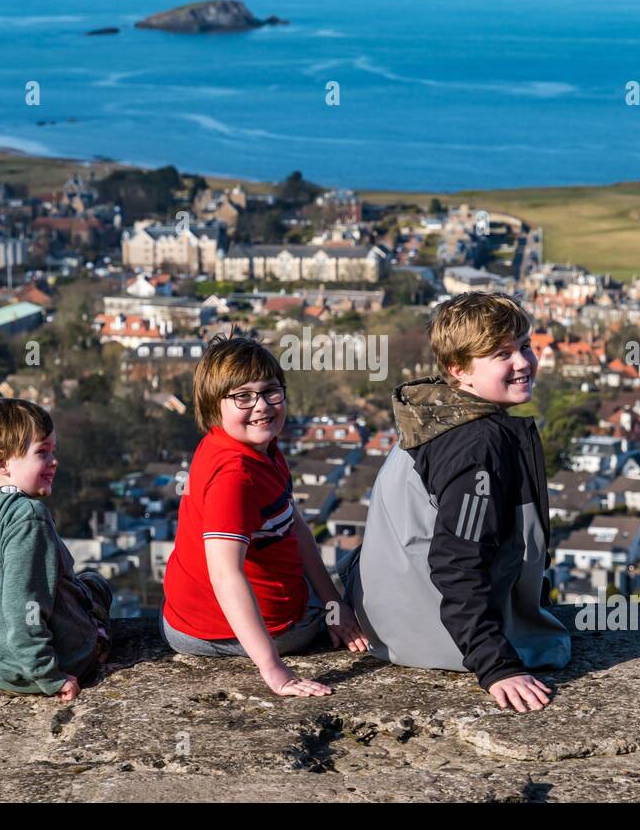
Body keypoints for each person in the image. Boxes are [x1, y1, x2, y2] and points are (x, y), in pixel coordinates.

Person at [343, 292, 571, 712]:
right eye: (501, 354)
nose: (522, 362)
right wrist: (496, 664)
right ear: (459, 370)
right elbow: (456, 561)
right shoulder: (478, 447)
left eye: (524, 346)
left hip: (388, 613)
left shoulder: (432, 413)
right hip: (434, 635)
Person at [161, 333, 369, 697]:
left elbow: (296, 528)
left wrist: (333, 602)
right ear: (215, 403)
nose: (261, 406)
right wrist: (275, 671)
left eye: (271, 391)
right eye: (243, 396)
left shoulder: (251, 447)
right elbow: (226, 574)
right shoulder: (234, 476)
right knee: (364, 577)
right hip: (246, 629)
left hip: (187, 617)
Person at [0, 398, 114, 703]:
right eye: (42, 452)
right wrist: (50, 677)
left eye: (53, 451)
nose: (54, 461)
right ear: (2, 464)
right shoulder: (29, 517)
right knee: (97, 587)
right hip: (57, 664)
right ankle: (94, 643)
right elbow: (23, 607)